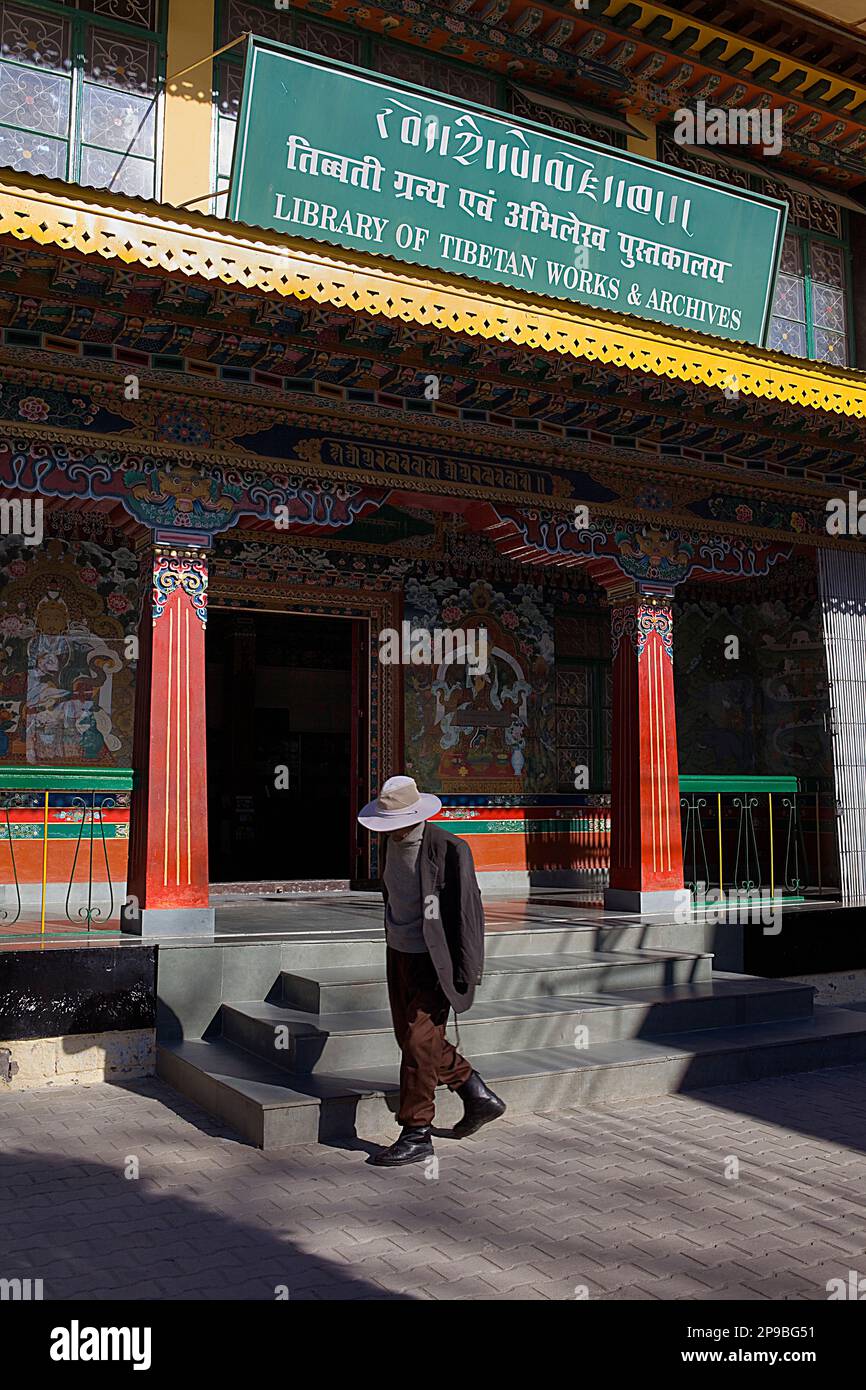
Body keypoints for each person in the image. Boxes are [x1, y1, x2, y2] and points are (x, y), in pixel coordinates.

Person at [358, 775, 506, 1167]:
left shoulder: (448, 848)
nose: (391, 828)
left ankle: (416, 1132)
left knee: (419, 1042)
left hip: (434, 960)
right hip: (399, 953)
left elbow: (467, 914)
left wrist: (468, 968)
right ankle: (475, 1093)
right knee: (410, 1037)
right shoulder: (389, 845)